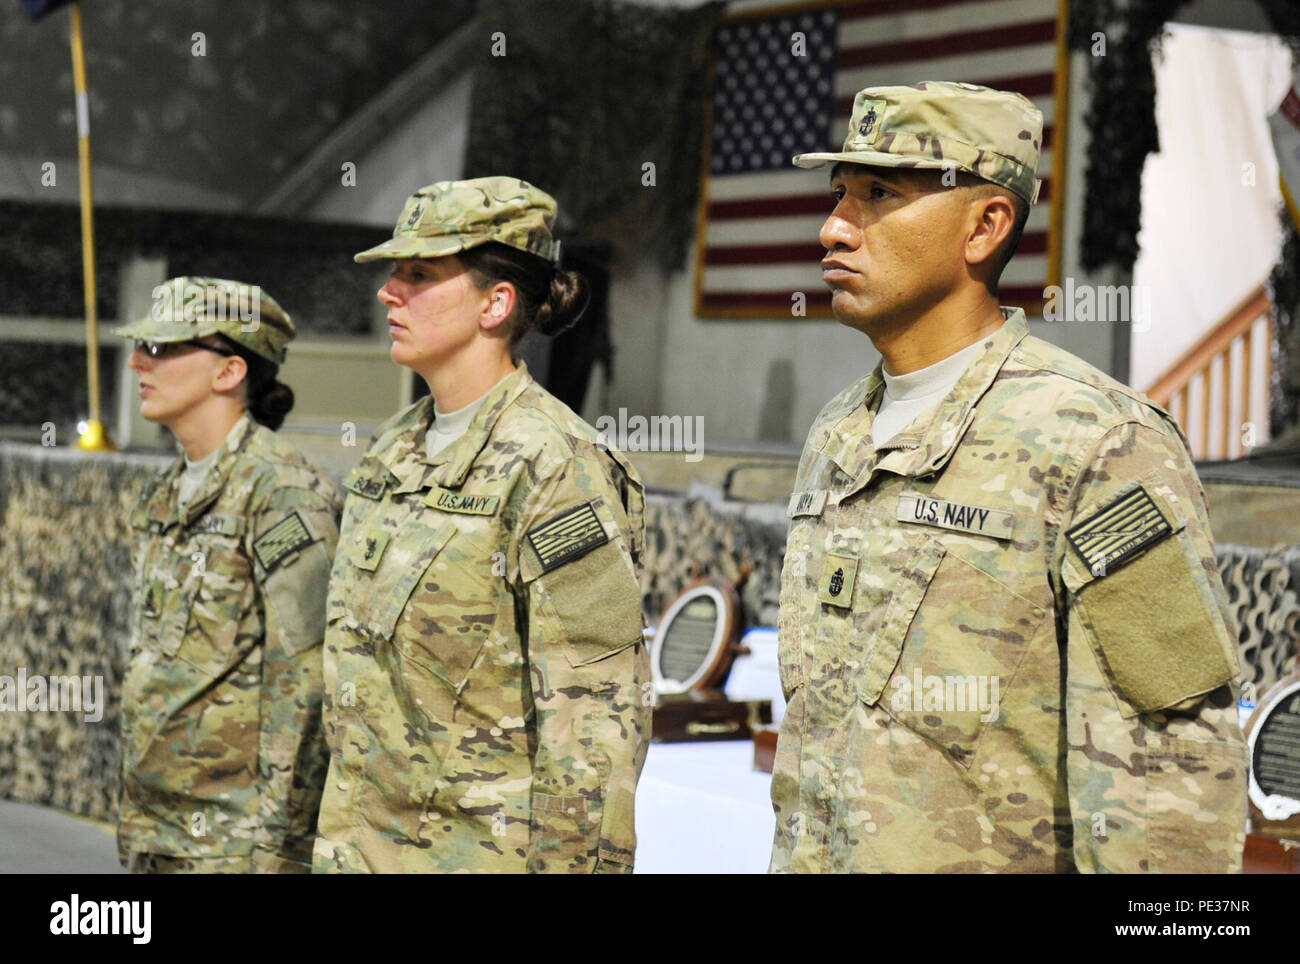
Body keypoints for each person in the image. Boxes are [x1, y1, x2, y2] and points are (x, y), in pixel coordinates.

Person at [770, 82, 1248, 873]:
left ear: (985, 226)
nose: (833, 229)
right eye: (839, 195)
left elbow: (1168, 778)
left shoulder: (1098, 443)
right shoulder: (838, 432)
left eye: (879, 194)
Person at [312, 176, 650, 874]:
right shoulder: (392, 450)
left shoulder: (557, 466)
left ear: (496, 302)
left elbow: (593, 721)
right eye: (394, 274)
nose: (388, 293)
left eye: (420, 274)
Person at [114, 277, 342, 873]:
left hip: (234, 845)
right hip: (157, 826)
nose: (139, 361)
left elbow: (307, 687)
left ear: (228, 372)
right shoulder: (165, 494)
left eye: (163, 349)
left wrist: (280, 850)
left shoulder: (281, 494)